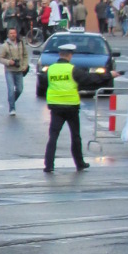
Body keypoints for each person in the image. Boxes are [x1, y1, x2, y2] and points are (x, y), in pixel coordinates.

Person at [43, 44, 90, 174]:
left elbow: (43, 81)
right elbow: (89, 79)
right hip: (71, 107)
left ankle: (49, 164)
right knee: (75, 136)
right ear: (70, 55)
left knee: (53, 137)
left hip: (56, 108)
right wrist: (109, 75)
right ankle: (79, 163)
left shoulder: (51, 69)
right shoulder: (73, 69)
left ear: (60, 55)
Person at [0, 27, 30, 115]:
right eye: (11, 33)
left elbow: (25, 55)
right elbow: (0, 58)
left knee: (19, 89)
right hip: (10, 70)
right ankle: (12, 108)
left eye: (14, 33)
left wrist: (24, 65)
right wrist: (9, 62)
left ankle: (11, 100)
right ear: (8, 35)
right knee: (11, 89)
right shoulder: (5, 46)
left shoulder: (21, 43)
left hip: (19, 70)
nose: (13, 35)